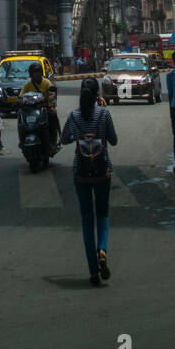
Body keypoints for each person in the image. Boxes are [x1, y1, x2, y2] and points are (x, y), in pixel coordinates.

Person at [61, 77, 117, 286]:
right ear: (97, 95)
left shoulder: (74, 116)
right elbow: (113, 140)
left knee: (87, 220)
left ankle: (93, 271)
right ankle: (102, 249)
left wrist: (79, 134)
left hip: (81, 172)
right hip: (102, 170)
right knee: (102, 214)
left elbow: (64, 139)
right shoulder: (104, 114)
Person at [20, 60, 60, 151]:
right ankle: (22, 140)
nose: (37, 74)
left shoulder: (47, 82)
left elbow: (53, 94)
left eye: (38, 72)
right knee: (21, 118)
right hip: (31, 109)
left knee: (53, 114)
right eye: (34, 72)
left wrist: (46, 100)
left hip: (45, 107)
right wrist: (20, 101)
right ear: (31, 74)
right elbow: (21, 96)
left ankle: (53, 141)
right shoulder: (27, 84)